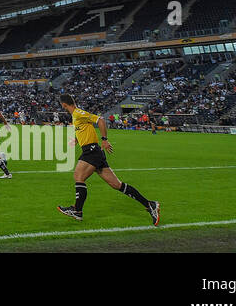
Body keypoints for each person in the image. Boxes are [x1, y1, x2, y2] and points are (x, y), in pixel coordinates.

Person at [56, 93, 160, 224]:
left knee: (78, 176)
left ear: (64, 104)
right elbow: (84, 129)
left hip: (91, 151)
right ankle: (150, 204)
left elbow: (100, 120)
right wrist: (77, 140)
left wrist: (104, 140)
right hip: (93, 151)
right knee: (116, 184)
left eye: (62, 104)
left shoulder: (78, 113)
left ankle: (77, 210)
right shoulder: (76, 116)